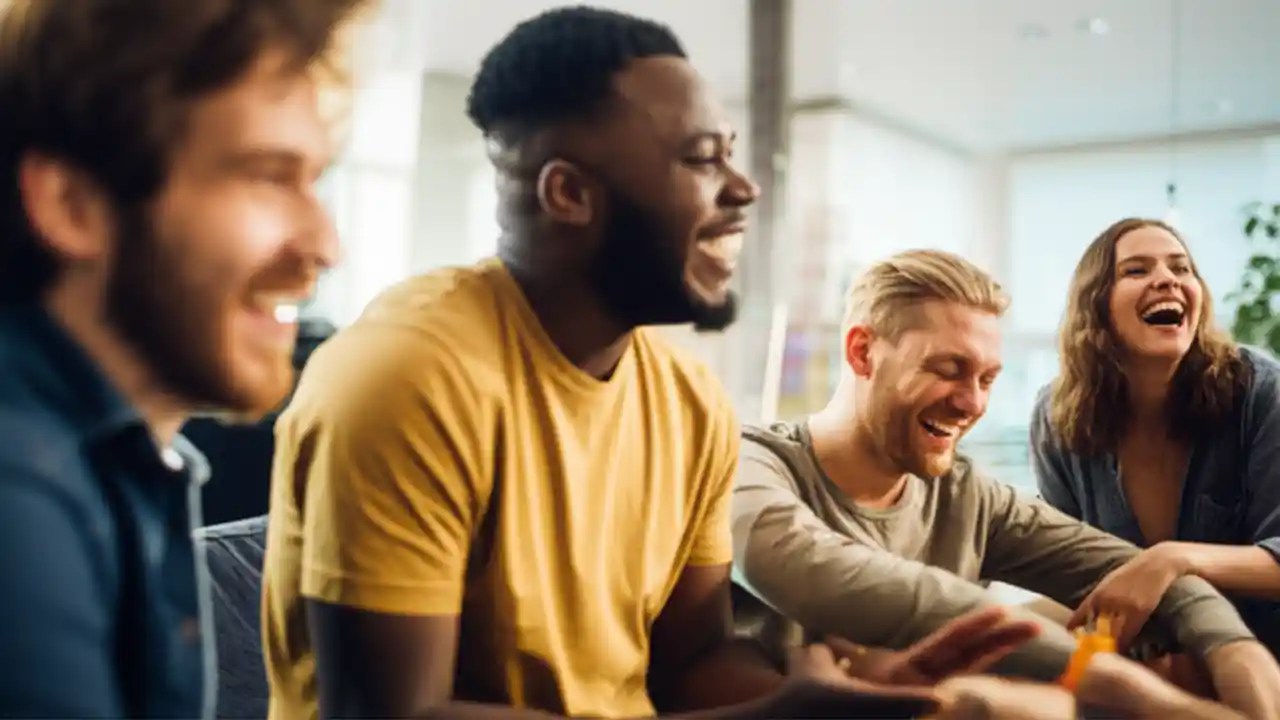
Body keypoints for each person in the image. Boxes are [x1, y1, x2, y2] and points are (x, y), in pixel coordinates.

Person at [259, 7, 1058, 720]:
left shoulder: (687, 402)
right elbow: (394, 714)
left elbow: (693, 665)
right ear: (568, 194)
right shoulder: (407, 377)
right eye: (703, 158)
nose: (742, 190)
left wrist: (834, 704)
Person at [730, 248, 1280, 718]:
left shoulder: (970, 497)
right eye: (948, 369)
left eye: (987, 379)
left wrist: (1232, 647)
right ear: (861, 351)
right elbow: (812, 567)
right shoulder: (750, 465)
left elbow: (1119, 566)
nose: (972, 403)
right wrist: (1131, 691)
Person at [0, 0, 359, 716]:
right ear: (72, 204)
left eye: (314, 180)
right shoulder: (19, 490)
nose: (324, 246)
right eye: (266, 176)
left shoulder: (112, 458)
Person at [1032, 219, 1280, 659]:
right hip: (1140, 666)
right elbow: (1063, 570)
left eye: (1181, 269)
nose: (1167, 279)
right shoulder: (1057, 417)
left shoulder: (1260, 392)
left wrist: (1171, 559)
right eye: (1136, 270)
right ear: (1097, 305)